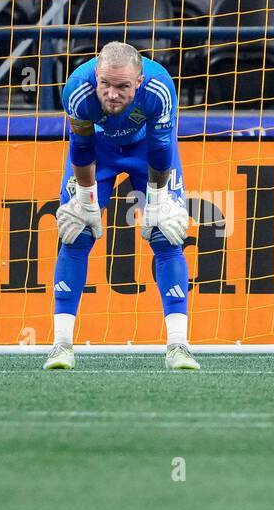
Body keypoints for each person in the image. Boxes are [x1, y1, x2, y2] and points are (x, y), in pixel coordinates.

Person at [45, 42, 199, 371]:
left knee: (166, 234)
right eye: (106, 85)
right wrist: (86, 202)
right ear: (96, 76)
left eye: (123, 87)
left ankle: (179, 346)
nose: (112, 95)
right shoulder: (76, 89)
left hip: (147, 150)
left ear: (139, 83)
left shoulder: (159, 90)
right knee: (77, 232)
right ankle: (61, 345)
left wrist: (157, 201)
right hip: (99, 151)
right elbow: (82, 148)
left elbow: (160, 151)